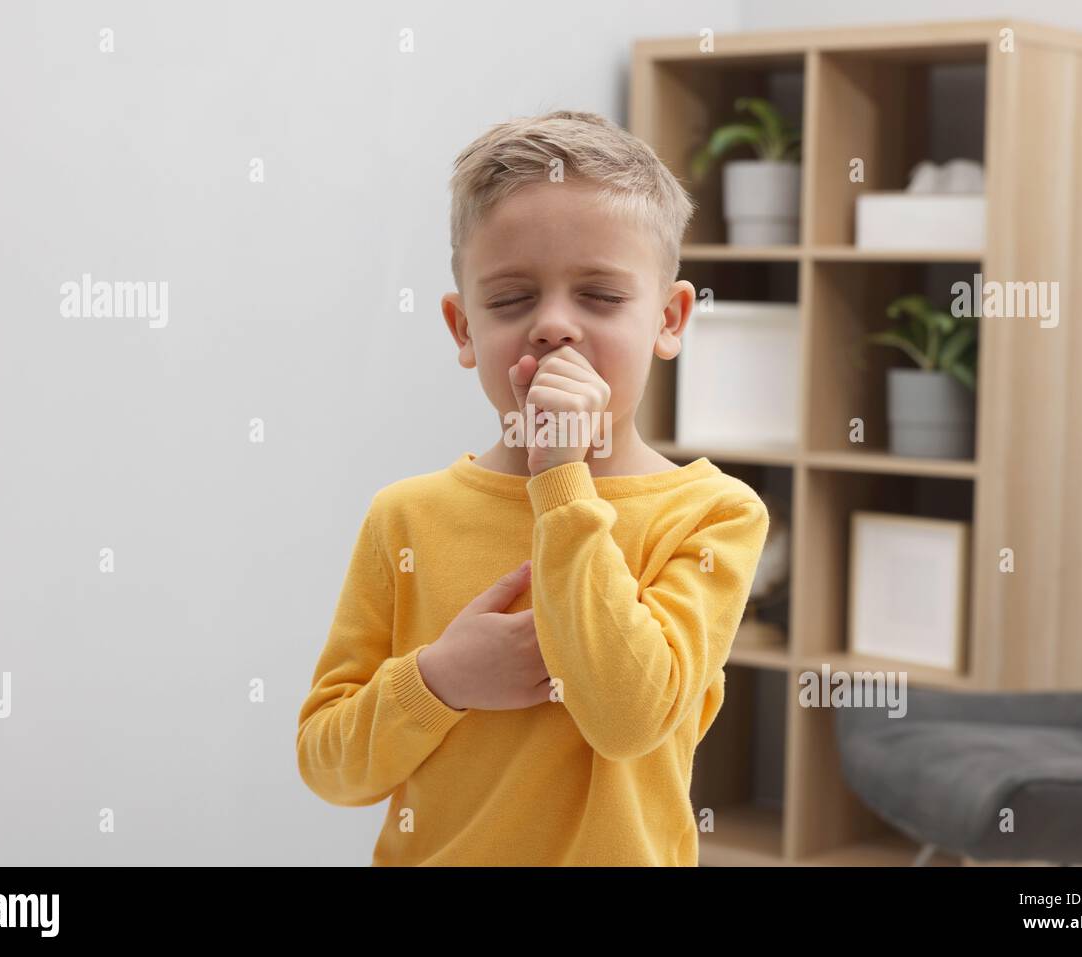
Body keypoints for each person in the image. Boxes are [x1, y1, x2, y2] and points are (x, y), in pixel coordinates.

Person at [296, 110, 769, 865]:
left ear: (670, 318)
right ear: (462, 330)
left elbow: (628, 715)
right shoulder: (405, 518)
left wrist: (560, 479)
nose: (553, 326)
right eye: (513, 299)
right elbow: (329, 765)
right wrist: (438, 679)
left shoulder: (713, 516)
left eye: (601, 297)